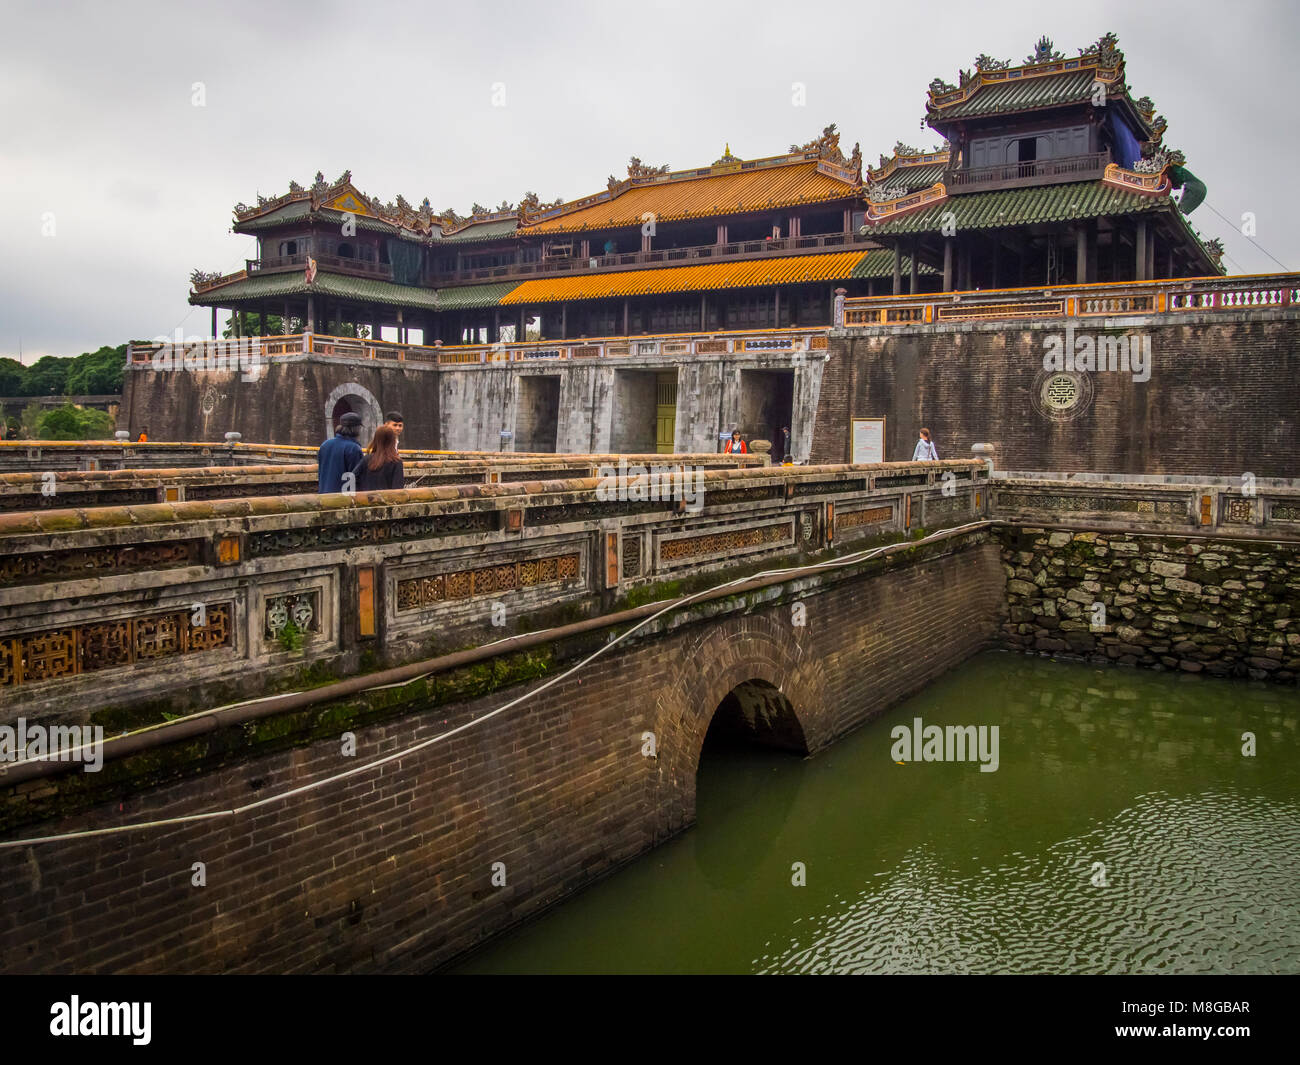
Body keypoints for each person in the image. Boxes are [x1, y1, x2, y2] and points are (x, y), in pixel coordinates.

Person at [318, 412, 364, 492]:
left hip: (324, 493)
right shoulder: (353, 448)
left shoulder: (325, 445)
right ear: (357, 428)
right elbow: (355, 476)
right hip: (343, 497)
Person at [351, 424, 404, 492]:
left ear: (376, 439)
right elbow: (398, 489)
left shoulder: (366, 459)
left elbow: (352, 478)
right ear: (393, 441)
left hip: (367, 500)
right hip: (388, 501)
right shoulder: (396, 462)